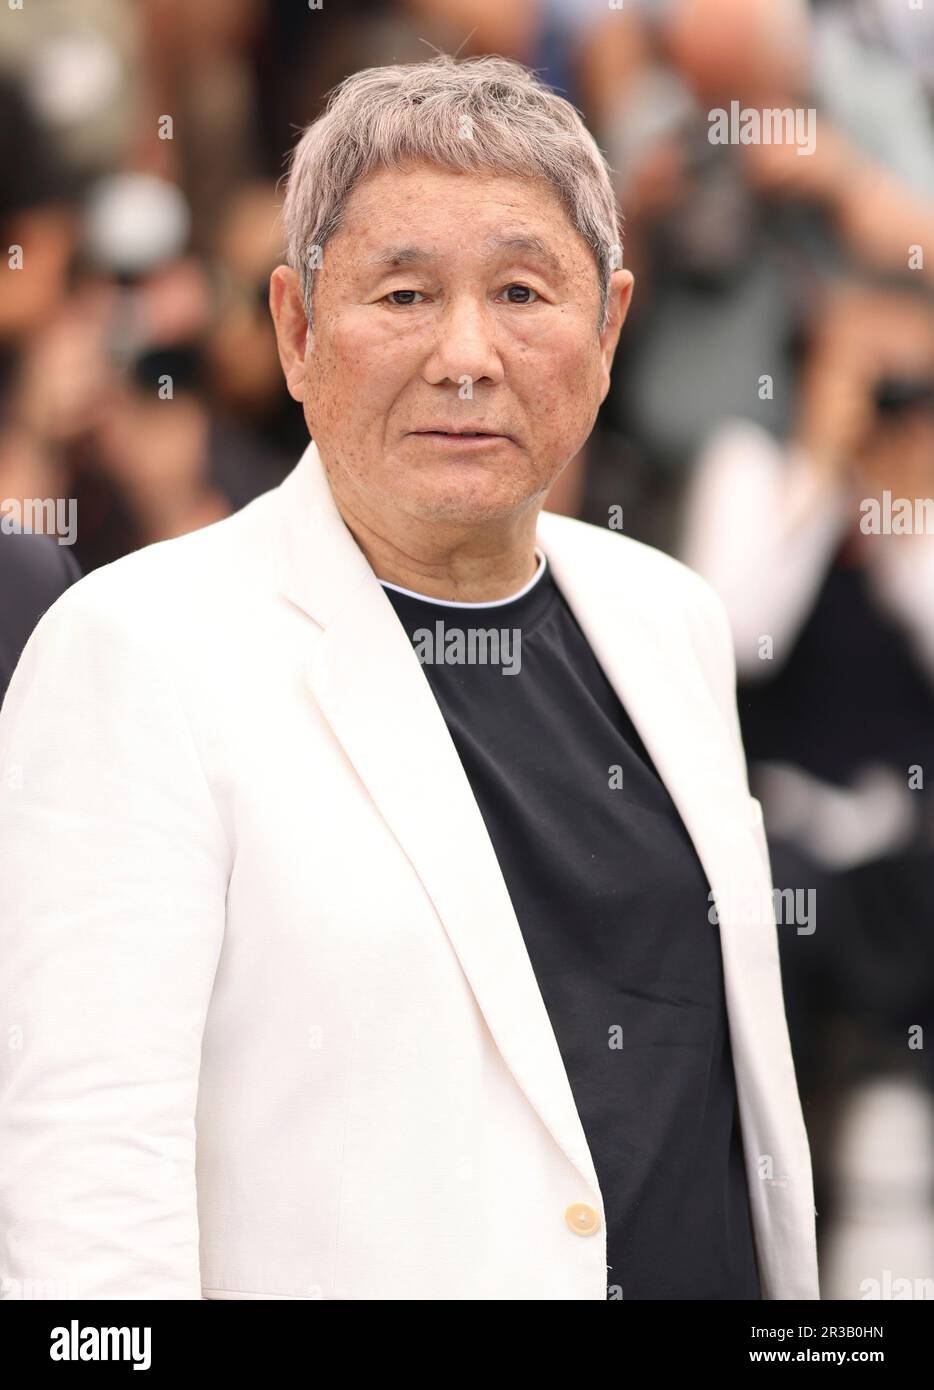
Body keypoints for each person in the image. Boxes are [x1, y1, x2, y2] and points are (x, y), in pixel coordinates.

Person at [0, 55, 817, 1302]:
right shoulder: (138, 651)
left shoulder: (669, 619)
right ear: (292, 327)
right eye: (401, 292)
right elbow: (91, 1185)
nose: (466, 354)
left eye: (524, 291)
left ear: (607, 331)